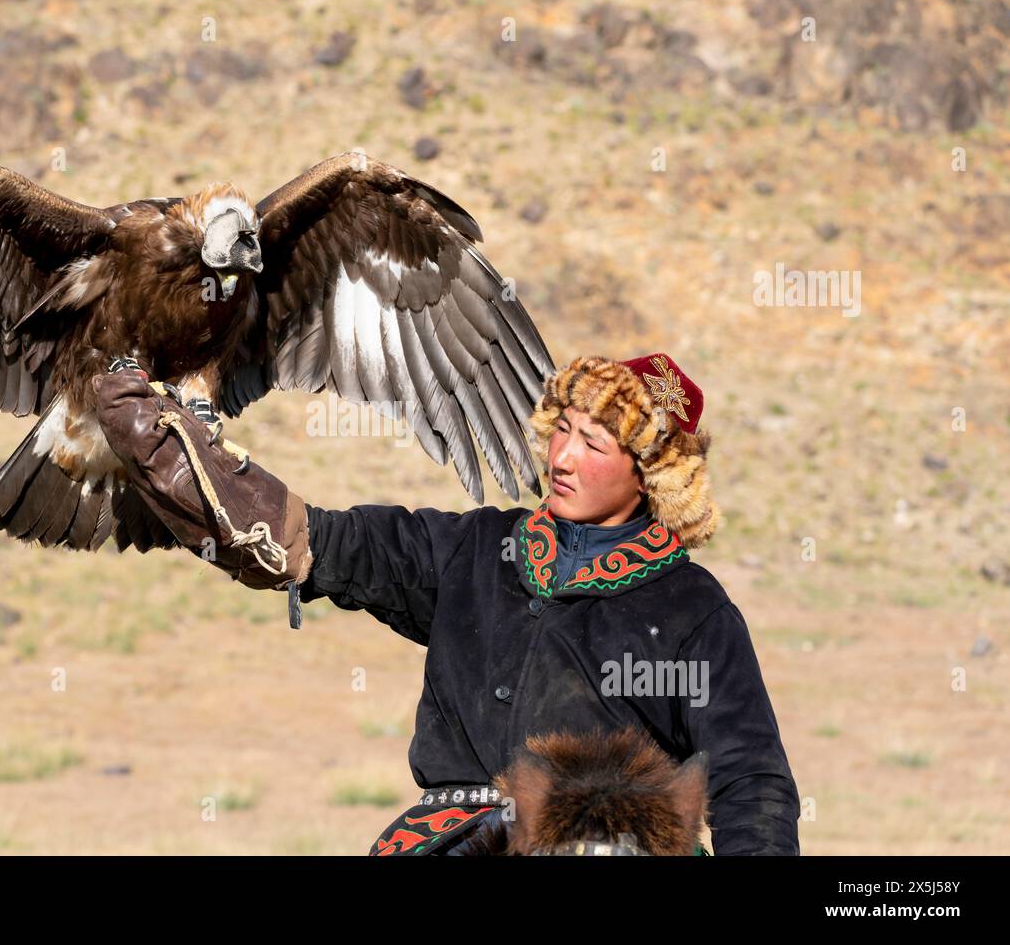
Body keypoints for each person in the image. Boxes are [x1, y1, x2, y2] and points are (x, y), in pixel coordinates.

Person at [92, 352, 801, 855]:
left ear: (648, 474)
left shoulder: (692, 611)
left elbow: (752, 779)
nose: (562, 456)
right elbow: (323, 544)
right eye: (561, 429)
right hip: (451, 839)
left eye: (593, 442)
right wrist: (187, 471)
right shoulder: (474, 549)